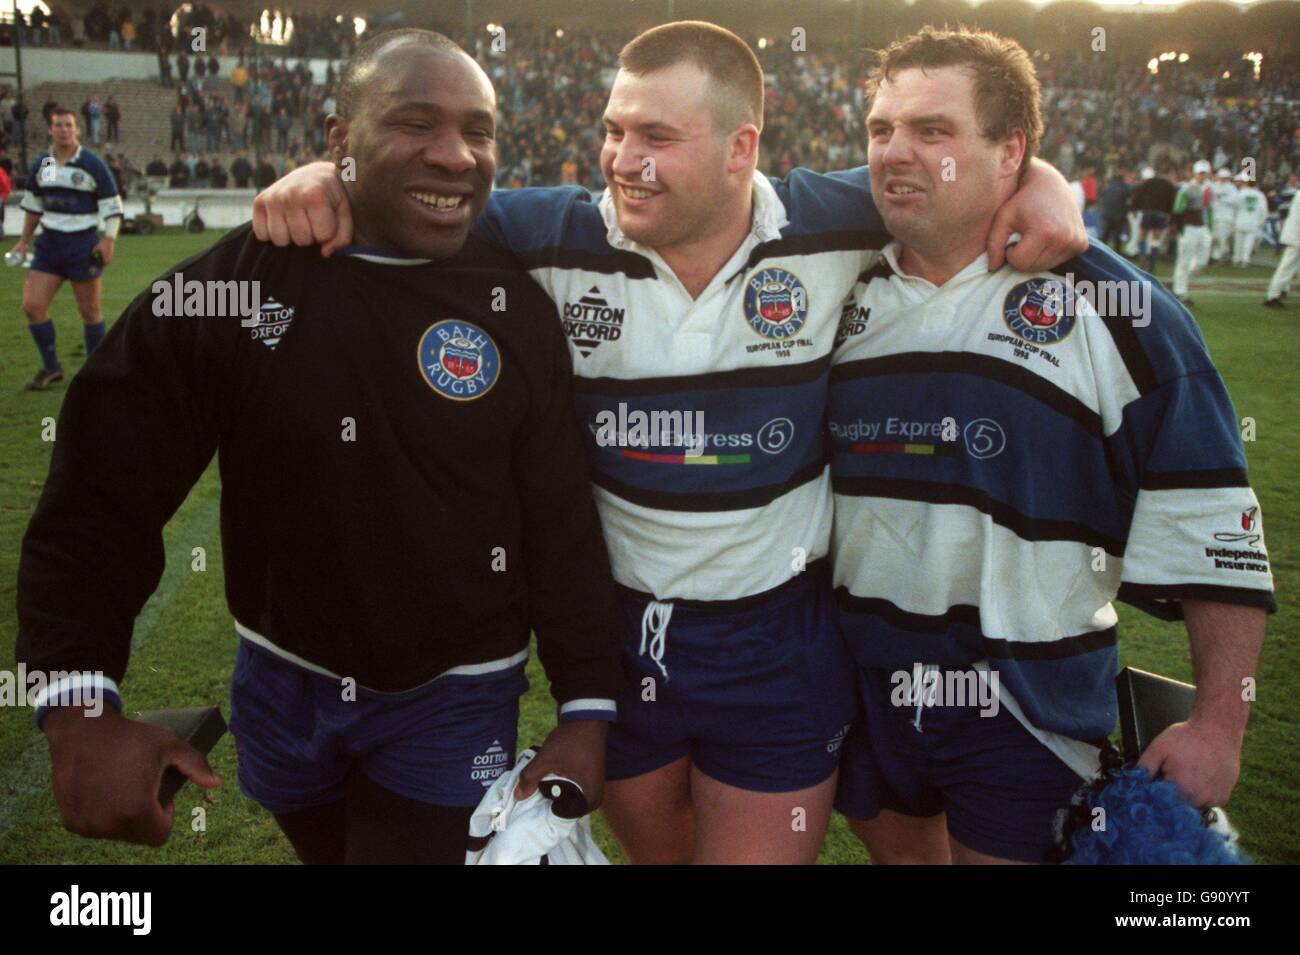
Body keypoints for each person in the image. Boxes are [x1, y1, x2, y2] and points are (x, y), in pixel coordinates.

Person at [252, 20, 1086, 864]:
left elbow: (956, 183)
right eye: (614, 130)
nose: (621, 158)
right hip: (624, 641)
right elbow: (424, 193)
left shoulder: (836, 221)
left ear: (740, 148)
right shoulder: (549, 234)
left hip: (778, 642)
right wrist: (331, 174)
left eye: (656, 136)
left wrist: (1047, 184)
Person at [17, 28, 623, 866]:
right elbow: (102, 477)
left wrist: (588, 706)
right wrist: (78, 698)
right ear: (338, 137)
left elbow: (560, 520)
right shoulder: (237, 286)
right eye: (415, 122)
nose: (455, 155)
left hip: (454, 696)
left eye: (478, 130)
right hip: (279, 681)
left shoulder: (512, 303)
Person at [829, 26, 1274, 865]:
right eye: (881, 128)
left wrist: (1219, 722)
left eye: (932, 130)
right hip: (861, 690)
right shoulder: (829, 281)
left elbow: (1216, 524)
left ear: (1010, 152)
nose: (894, 151)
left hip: (1023, 707)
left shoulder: (1122, 313)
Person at [9, 109, 122, 391]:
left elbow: (112, 207)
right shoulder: (44, 164)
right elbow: (35, 206)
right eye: (58, 125)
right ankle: (51, 367)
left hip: (83, 245)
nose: (63, 130)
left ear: (78, 130)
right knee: (33, 306)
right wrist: (24, 241)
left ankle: (95, 373)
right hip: (49, 245)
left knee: (90, 310)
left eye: (69, 125)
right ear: (50, 130)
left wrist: (108, 240)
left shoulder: (91, 164)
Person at [1171, 160, 1212, 306]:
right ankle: (1180, 291)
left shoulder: (1208, 188)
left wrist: (1210, 228)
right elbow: (1177, 210)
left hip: (1202, 227)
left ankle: (1182, 283)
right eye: (1201, 173)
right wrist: (1178, 229)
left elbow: (1209, 210)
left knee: (1202, 259)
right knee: (1183, 260)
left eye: (1205, 173)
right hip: (1188, 227)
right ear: (1195, 173)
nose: (1203, 176)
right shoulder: (1186, 189)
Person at [1130, 163, 1177, 275]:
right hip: (1161, 214)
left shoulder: (1148, 182)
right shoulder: (1169, 185)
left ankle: (1143, 257)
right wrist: (1171, 215)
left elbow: (1137, 195)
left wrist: (1134, 208)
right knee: (1155, 239)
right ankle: (1152, 264)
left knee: (1142, 235)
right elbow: (1173, 201)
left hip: (1148, 212)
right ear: (1168, 173)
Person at [1263, 190, 1299, 308]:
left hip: (1295, 236)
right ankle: (1273, 295)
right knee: (1287, 267)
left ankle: (1279, 291)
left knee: (1289, 267)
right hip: (1296, 238)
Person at [1231, 173, 1267, 268]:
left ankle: (1236, 259)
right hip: (1253, 221)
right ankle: (1245, 260)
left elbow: (1235, 207)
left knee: (1238, 241)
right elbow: (1263, 209)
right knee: (1249, 242)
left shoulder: (1241, 193)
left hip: (1240, 219)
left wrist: (1234, 219)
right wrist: (1261, 220)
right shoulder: (1259, 195)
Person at [1211, 168, 1238, 262]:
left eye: (1225, 177)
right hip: (1215, 216)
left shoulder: (1232, 188)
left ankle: (1218, 256)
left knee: (1222, 237)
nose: (1223, 179)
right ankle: (1214, 254)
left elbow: (1234, 201)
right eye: (1221, 177)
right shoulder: (1213, 186)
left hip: (1226, 217)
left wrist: (1221, 198)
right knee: (1214, 237)